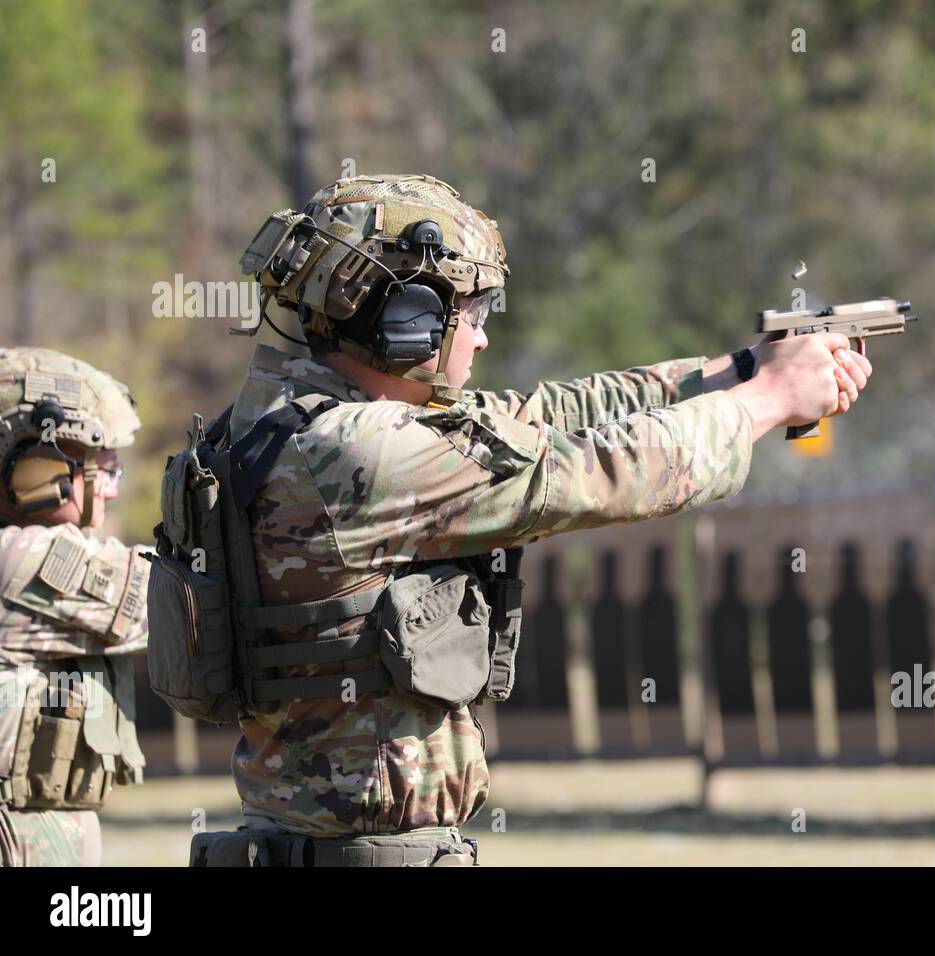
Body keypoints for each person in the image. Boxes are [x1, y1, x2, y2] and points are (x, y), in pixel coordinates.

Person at [180, 173, 870, 866]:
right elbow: (598, 471)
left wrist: (746, 367)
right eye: (471, 314)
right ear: (404, 319)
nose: (478, 341)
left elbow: (552, 413)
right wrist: (771, 399)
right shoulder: (356, 452)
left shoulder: (269, 430)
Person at [0, 348, 149, 866]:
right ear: (30, 470)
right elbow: (180, 596)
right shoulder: (16, 563)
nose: (109, 489)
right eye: (102, 467)